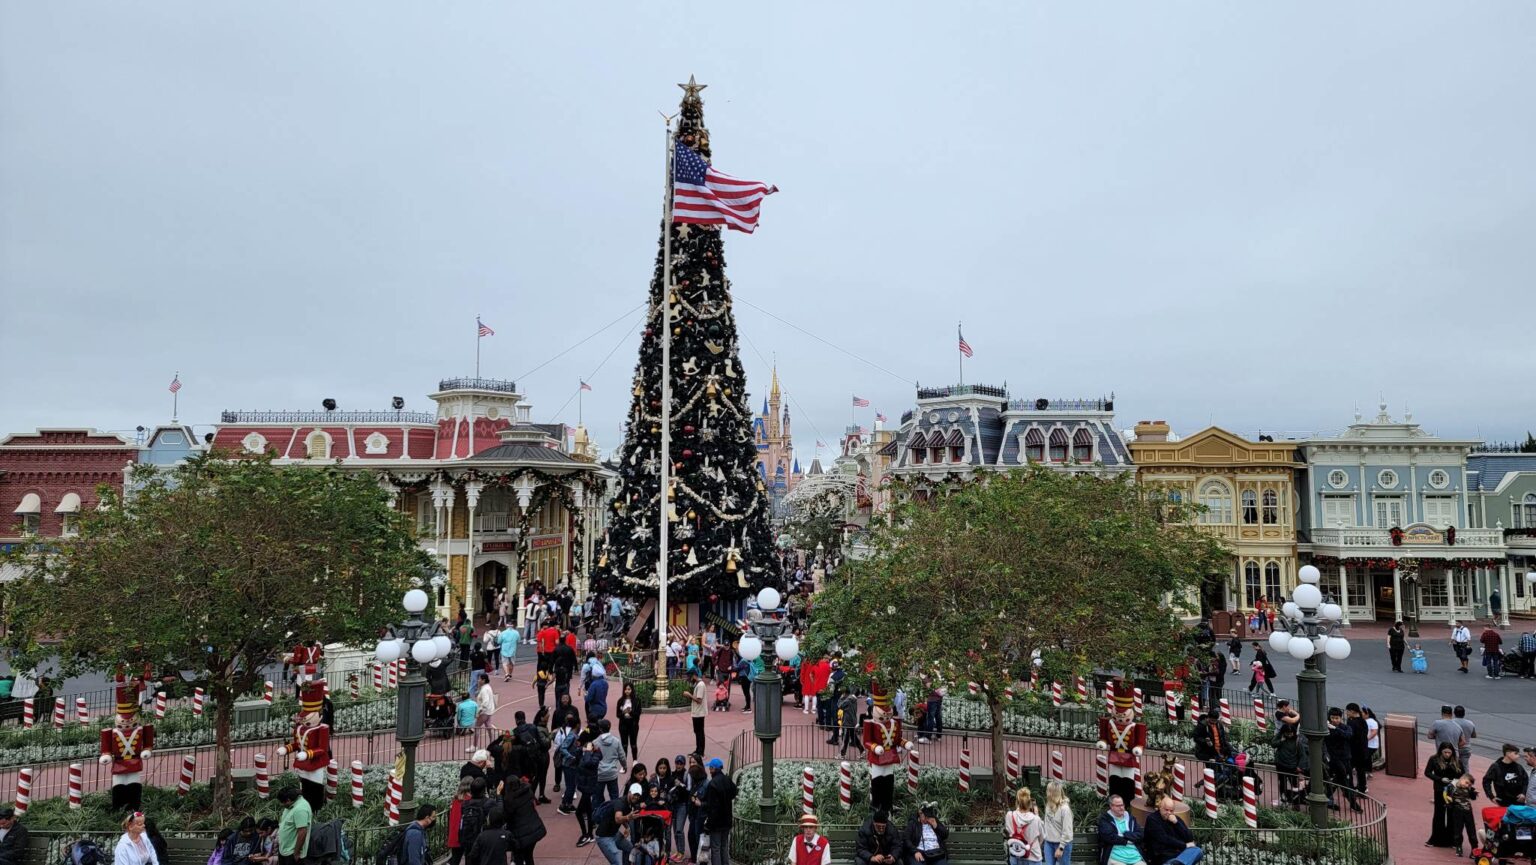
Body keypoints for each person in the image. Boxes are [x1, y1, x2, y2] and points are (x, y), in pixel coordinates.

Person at [100, 673, 156, 811]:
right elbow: (106, 748)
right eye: (123, 720)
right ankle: (117, 806)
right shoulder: (111, 732)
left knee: (134, 783)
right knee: (118, 784)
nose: (127, 722)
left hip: (134, 761)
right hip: (119, 762)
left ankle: (133, 805)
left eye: (130, 719)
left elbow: (148, 743)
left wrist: (146, 750)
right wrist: (106, 754)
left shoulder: (141, 730)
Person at [863, 681, 913, 815]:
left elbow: (897, 739)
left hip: (890, 756)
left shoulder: (895, 723)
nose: (886, 716)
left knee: (889, 781)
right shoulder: (871, 724)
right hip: (877, 758)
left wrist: (905, 743)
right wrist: (874, 747)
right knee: (877, 782)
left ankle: (888, 805)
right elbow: (866, 742)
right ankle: (876, 805)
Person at [1097, 681, 1146, 805]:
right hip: (1114, 755)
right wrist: (1102, 742)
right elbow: (1104, 737)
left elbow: (1140, 742)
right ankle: (1114, 800)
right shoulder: (1109, 724)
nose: (1120, 717)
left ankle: (1128, 801)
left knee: (1128, 779)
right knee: (1114, 778)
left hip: (1128, 756)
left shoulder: (1135, 726)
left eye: (1123, 714)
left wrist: (1138, 748)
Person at [501, 774, 547, 865]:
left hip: (520, 835)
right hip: (534, 829)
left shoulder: (509, 800)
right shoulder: (527, 792)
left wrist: (499, 796)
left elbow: (504, 816)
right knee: (528, 856)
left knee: (519, 858)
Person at [1142, 795, 1201, 865]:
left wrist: (1176, 823)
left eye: (1171, 810)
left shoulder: (1175, 819)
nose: (1169, 813)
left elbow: (1189, 838)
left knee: (1198, 851)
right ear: (1160, 808)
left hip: (1178, 854)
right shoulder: (1152, 819)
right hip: (1161, 856)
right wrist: (1184, 845)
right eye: (1166, 810)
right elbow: (1164, 839)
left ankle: (1177, 863)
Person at [699, 758, 736, 865]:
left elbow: (712, 808)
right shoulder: (727, 779)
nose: (709, 770)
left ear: (713, 768)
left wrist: (709, 824)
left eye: (710, 768)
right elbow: (734, 792)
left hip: (716, 823)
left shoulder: (712, 784)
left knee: (715, 848)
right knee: (724, 846)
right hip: (727, 820)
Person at [1424, 742, 1461, 848]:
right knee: (1439, 814)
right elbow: (1427, 772)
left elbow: (1462, 774)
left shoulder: (1457, 761)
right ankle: (1435, 839)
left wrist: (1456, 781)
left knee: (1451, 815)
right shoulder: (1434, 759)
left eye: (1449, 752)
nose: (1447, 754)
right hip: (1439, 789)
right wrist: (1440, 779)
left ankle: (1452, 840)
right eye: (1445, 752)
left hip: (1453, 790)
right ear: (1441, 751)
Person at [1323, 708, 1360, 812]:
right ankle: (1354, 804)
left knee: (1341, 781)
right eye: (1333, 718)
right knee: (1344, 780)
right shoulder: (1327, 729)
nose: (1335, 720)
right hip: (1334, 759)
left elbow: (1348, 735)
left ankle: (1326, 797)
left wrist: (1335, 729)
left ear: (1340, 718)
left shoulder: (1345, 727)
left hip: (1346, 758)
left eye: (1337, 718)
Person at [593, 783, 640, 865]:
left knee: (629, 849)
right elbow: (618, 818)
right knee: (617, 862)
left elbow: (622, 816)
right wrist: (628, 818)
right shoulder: (620, 803)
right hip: (604, 837)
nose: (636, 797)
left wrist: (627, 827)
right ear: (629, 792)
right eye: (634, 794)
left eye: (638, 795)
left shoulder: (630, 803)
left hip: (614, 834)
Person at [1095, 796, 1145, 865]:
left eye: (1122, 805)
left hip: (1135, 857)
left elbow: (1140, 835)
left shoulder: (1131, 818)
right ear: (1111, 806)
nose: (1121, 808)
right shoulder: (1105, 819)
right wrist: (1127, 841)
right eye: (1118, 806)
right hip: (1116, 858)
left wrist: (1126, 834)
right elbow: (1109, 837)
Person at [1005, 788, 1044, 865]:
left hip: (1016, 855)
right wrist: (1036, 814)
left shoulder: (1010, 815)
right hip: (1034, 857)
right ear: (1030, 803)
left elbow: (1009, 832)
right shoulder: (1036, 819)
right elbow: (1041, 839)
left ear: (1017, 802)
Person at [1445, 773, 1480, 857]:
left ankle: (1474, 849)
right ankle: (1458, 847)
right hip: (1457, 812)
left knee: (1471, 831)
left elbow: (1473, 798)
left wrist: (1474, 794)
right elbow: (1446, 797)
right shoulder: (1451, 786)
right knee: (1458, 831)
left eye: (1469, 784)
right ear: (1461, 779)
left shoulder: (1469, 788)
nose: (1467, 785)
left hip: (1468, 811)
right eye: (1466, 782)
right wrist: (1448, 804)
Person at [275, 787, 312, 865]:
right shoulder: (290, 805)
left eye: (282, 802)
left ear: (288, 800)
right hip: (284, 850)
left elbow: (302, 832)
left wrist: (296, 853)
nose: (281, 805)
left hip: (291, 853)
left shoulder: (300, 809)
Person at [595, 719, 626, 806]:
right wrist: (624, 766)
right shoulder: (616, 741)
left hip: (599, 774)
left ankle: (598, 815)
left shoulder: (595, 742)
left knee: (597, 797)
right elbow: (622, 756)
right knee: (614, 796)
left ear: (600, 729)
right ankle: (615, 814)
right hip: (612, 774)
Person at [1041, 781, 1074, 864]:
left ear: (1052, 793)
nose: (1046, 792)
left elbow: (1067, 831)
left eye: (1048, 790)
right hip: (1048, 842)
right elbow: (1048, 824)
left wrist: (1061, 848)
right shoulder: (1048, 805)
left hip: (1062, 844)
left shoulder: (1065, 809)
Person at [1274, 723, 1305, 808]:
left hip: (1292, 767)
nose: (1289, 735)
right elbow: (1273, 744)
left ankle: (1296, 803)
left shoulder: (1297, 742)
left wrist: (1299, 766)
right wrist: (1281, 740)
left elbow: (1302, 755)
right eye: (1287, 733)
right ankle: (1284, 800)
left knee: (1294, 785)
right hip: (1281, 765)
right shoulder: (1281, 737)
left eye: (1291, 733)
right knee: (1282, 783)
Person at [1344, 703, 1370, 795]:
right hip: (1363, 750)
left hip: (1354, 751)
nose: (1346, 713)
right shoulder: (1363, 721)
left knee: (1348, 770)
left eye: (1347, 711)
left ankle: (1350, 788)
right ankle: (1362, 788)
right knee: (1361, 770)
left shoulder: (1351, 722)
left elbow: (1349, 736)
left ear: (1352, 711)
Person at [471, 674, 498, 750]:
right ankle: (492, 744)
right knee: (488, 726)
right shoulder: (488, 687)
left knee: (477, 727)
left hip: (484, 712)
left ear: (483, 680)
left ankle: (474, 746)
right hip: (489, 711)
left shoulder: (484, 690)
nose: (478, 680)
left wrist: (479, 711)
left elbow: (485, 702)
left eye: (479, 679)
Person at [688, 671, 708, 756]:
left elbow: (699, 700)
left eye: (690, 677)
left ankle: (700, 752)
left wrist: (689, 695)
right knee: (697, 732)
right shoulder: (698, 684)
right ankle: (698, 750)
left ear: (694, 676)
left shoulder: (700, 685)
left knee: (699, 732)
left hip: (699, 713)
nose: (690, 679)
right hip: (697, 712)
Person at [1454, 705, 1478, 770]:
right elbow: (1474, 735)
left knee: (1453, 766)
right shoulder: (1470, 723)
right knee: (1465, 766)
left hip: (1455, 747)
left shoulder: (1452, 722)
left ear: (1454, 713)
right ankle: (1466, 779)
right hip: (1466, 748)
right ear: (1464, 713)